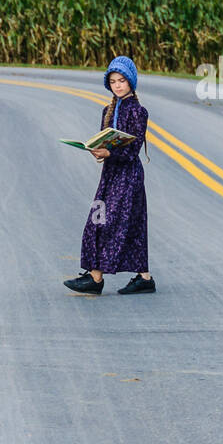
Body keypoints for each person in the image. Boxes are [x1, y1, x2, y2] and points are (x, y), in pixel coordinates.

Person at [64, 56, 154, 296]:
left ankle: (96, 278)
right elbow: (105, 142)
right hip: (110, 175)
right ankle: (144, 278)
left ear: (131, 82)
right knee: (119, 222)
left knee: (105, 222)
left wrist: (110, 152)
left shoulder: (138, 112)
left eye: (122, 80)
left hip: (128, 177)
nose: (117, 85)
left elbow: (132, 150)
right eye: (113, 81)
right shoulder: (108, 109)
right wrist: (98, 151)